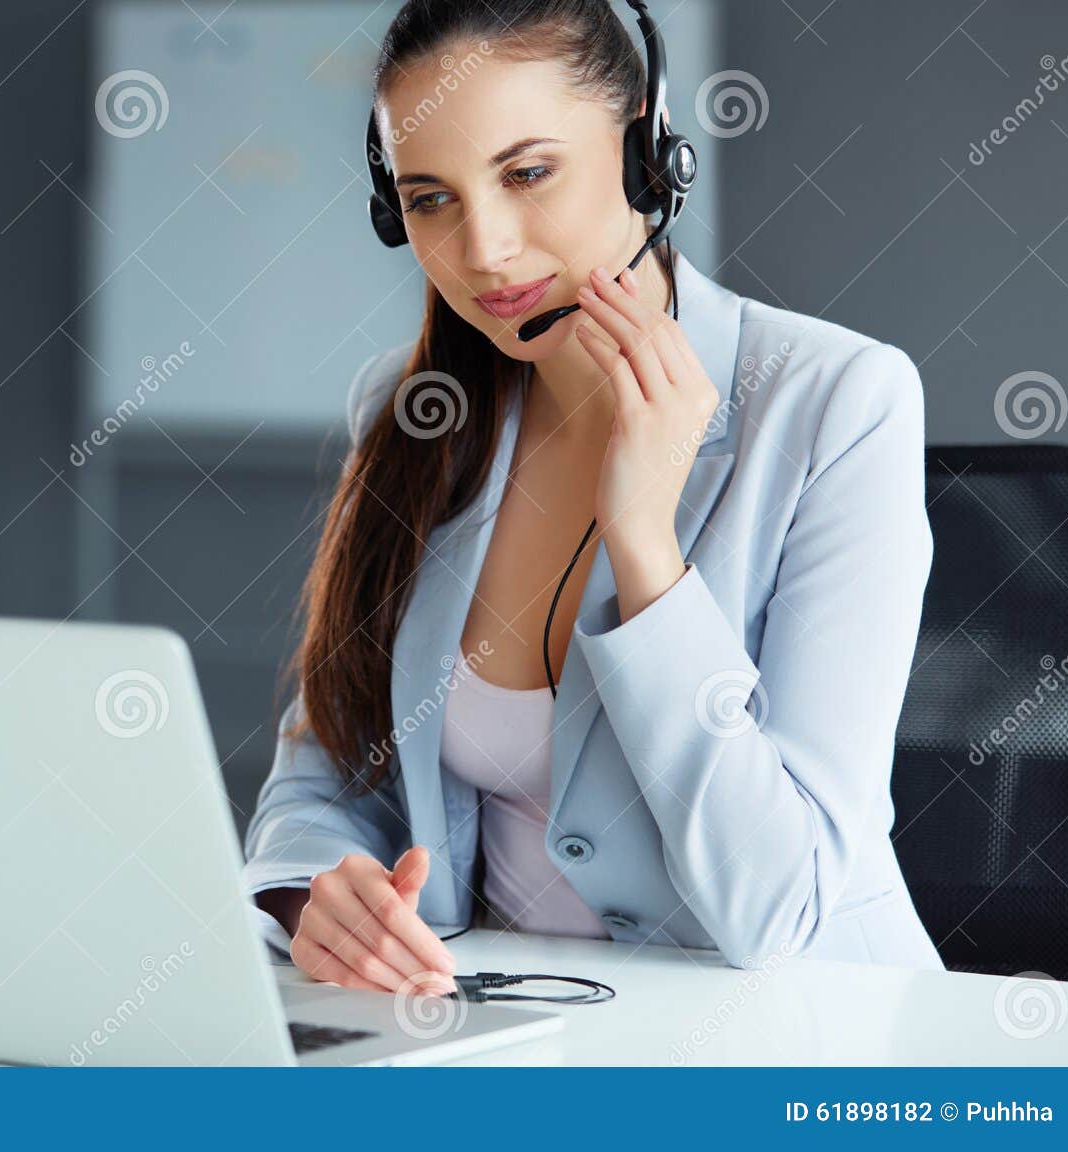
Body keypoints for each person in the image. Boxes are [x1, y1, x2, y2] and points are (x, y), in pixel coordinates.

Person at [242, 0, 943, 996]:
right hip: (513, 1033)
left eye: (528, 173)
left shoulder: (835, 403)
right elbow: (328, 764)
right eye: (429, 197)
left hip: (792, 1040)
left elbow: (779, 905)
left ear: (644, 147)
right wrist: (316, 894)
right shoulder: (408, 418)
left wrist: (646, 549)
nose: (481, 250)